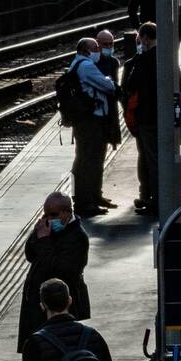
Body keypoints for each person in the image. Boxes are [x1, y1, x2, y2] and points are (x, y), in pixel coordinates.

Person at [8, 191, 91, 361]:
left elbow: (62, 271)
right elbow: (32, 255)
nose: (48, 220)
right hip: (36, 319)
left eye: (54, 215)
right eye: (46, 214)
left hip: (59, 320)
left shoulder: (78, 238)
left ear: (67, 213)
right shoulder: (46, 231)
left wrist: (44, 242)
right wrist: (39, 238)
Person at [69, 38, 116, 217]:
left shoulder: (76, 63)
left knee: (87, 159)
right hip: (91, 121)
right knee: (89, 161)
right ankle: (86, 202)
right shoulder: (86, 66)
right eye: (95, 47)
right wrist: (108, 80)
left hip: (83, 120)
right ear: (86, 51)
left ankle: (93, 196)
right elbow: (108, 86)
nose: (98, 50)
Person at [121, 22, 160, 214]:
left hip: (147, 117)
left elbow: (130, 84)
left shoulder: (145, 59)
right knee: (155, 158)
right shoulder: (168, 55)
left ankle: (156, 200)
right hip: (164, 116)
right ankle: (152, 197)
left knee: (151, 159)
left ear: (145, 38)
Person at [95, 29, 122, 154]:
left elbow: (115, 86)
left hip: (110, 107)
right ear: (98, 44)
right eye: (105, 44)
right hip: (96, 108)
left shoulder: (114, 62)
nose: (109, 47)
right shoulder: (92, 62)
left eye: (111, 44)